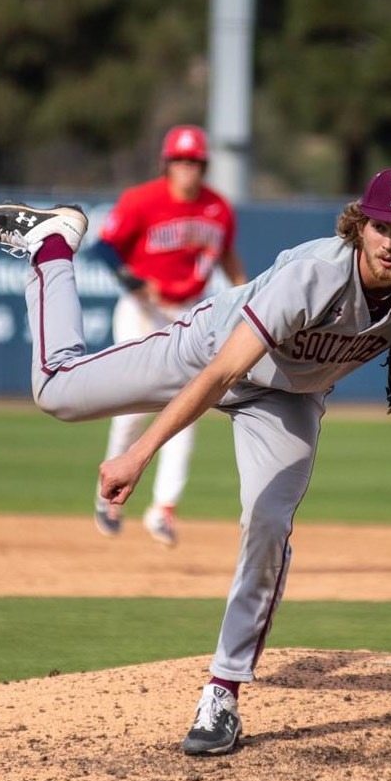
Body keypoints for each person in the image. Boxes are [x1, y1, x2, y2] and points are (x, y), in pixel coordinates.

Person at [0, 167, 391, 756]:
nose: (390, 243)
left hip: (289, 398)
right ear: (360, 225)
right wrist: (138, 454)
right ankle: (51, 245)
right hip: (212, 352)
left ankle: (221, 694)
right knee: (56, 392)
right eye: (381, 227)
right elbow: (222, 373)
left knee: (269, 523)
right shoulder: (313, 275)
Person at [89, 124, 246, 547]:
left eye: (194, 161)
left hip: (190, 312)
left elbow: (228, 255)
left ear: (204, 165)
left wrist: (243, 292)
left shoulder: (218, 208)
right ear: (167, 163)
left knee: (189, 408)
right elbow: (103, 248)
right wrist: (133, 282)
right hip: (143, 310)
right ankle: (109, 496)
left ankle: (163, 509)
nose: (187, 168)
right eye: (180, 160)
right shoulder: (142, 200)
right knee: (130, 411)